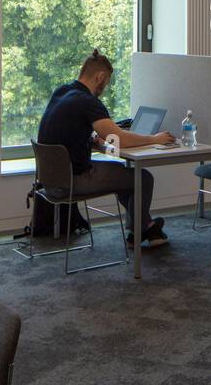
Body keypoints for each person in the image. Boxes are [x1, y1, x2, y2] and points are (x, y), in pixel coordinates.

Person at [36, 49, 175, 247]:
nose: (105, 87)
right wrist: (155, 139)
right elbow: (120, 141)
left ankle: (145, 227)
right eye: (106, 82)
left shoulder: (62, 92)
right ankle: (142, 229)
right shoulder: (88, 102)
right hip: (73, 181)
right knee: (142, 178)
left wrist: (94, 140)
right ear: (99, 76)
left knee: (124, 177)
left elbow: (69, 132)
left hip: (50, 181)